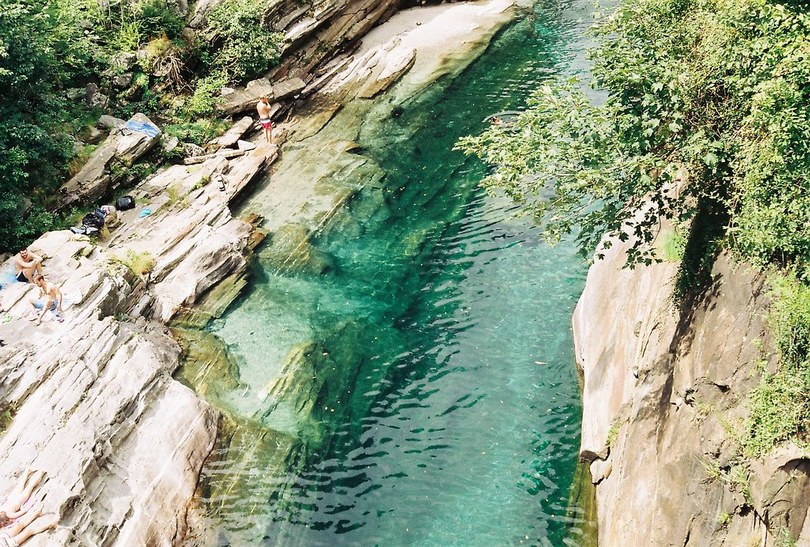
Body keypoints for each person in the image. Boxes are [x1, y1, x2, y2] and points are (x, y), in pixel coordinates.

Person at [0, 469, 58, 546]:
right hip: (4, 540)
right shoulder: (5, 510)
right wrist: (23, 510)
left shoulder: (9, 515)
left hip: (5, 541)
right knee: (24, 526)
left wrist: (23, 510)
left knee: (28, 530)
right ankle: (41, 517)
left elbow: (20, 514)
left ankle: (47, 521)